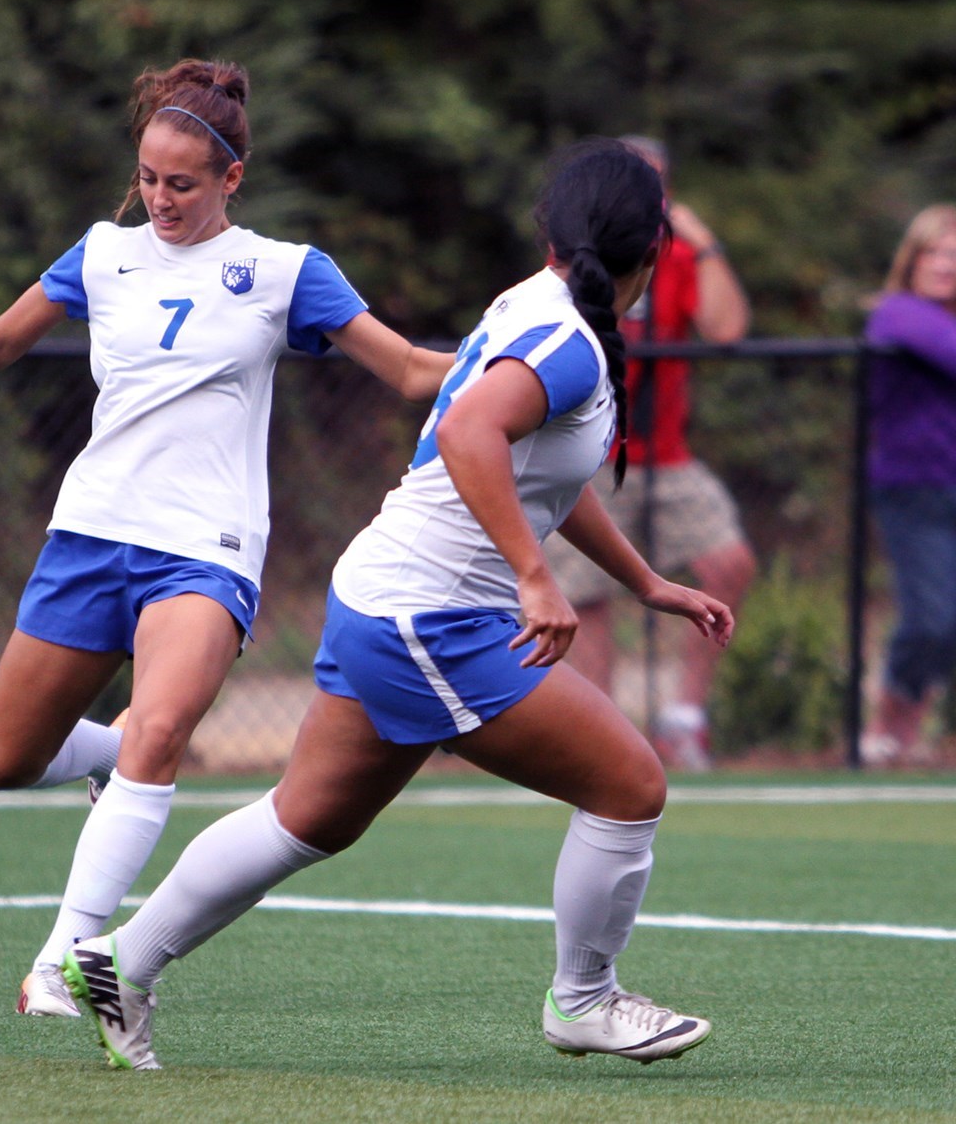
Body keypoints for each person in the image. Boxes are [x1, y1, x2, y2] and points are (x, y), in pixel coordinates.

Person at [60, 138, 735, 1071]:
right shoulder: (566, 341)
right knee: (630, 786)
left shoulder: (537, 306)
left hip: (386, 597)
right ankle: (583, 999)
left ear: (552, 233)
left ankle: (119, 964)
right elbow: (467, 430)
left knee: (306, 820)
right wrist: (534, 579)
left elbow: (540, 469)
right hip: (430, 619)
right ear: (652, 252)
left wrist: (644, 582)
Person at [0, 58, 453, 1018]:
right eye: (148, 177)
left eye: (181, 183)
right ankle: (102, 757)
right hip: (91, 532)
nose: (159, 198)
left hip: (205, 547)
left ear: (232, 178)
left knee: (164, 727)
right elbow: (6, 336)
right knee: (4, 759)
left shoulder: (283, 271)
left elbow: (404, 370)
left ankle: (65, 959)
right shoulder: (105, 253)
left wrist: (519, 356)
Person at [544, 135, 754, 770]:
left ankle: (685, 717)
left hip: (666, 456)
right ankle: (601, 728)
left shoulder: (679, 256)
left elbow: (726, 329)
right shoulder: (574, 255)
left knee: (728, 563)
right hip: (590, 457)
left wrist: (703, 240)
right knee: (585, 596)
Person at [860, 204, 956, 766]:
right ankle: (883, 729)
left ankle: (905, 738)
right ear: (914, 258)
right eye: (937, 253)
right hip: (916, 489)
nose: (947, 266)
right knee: (931, 617)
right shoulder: (897, 314)